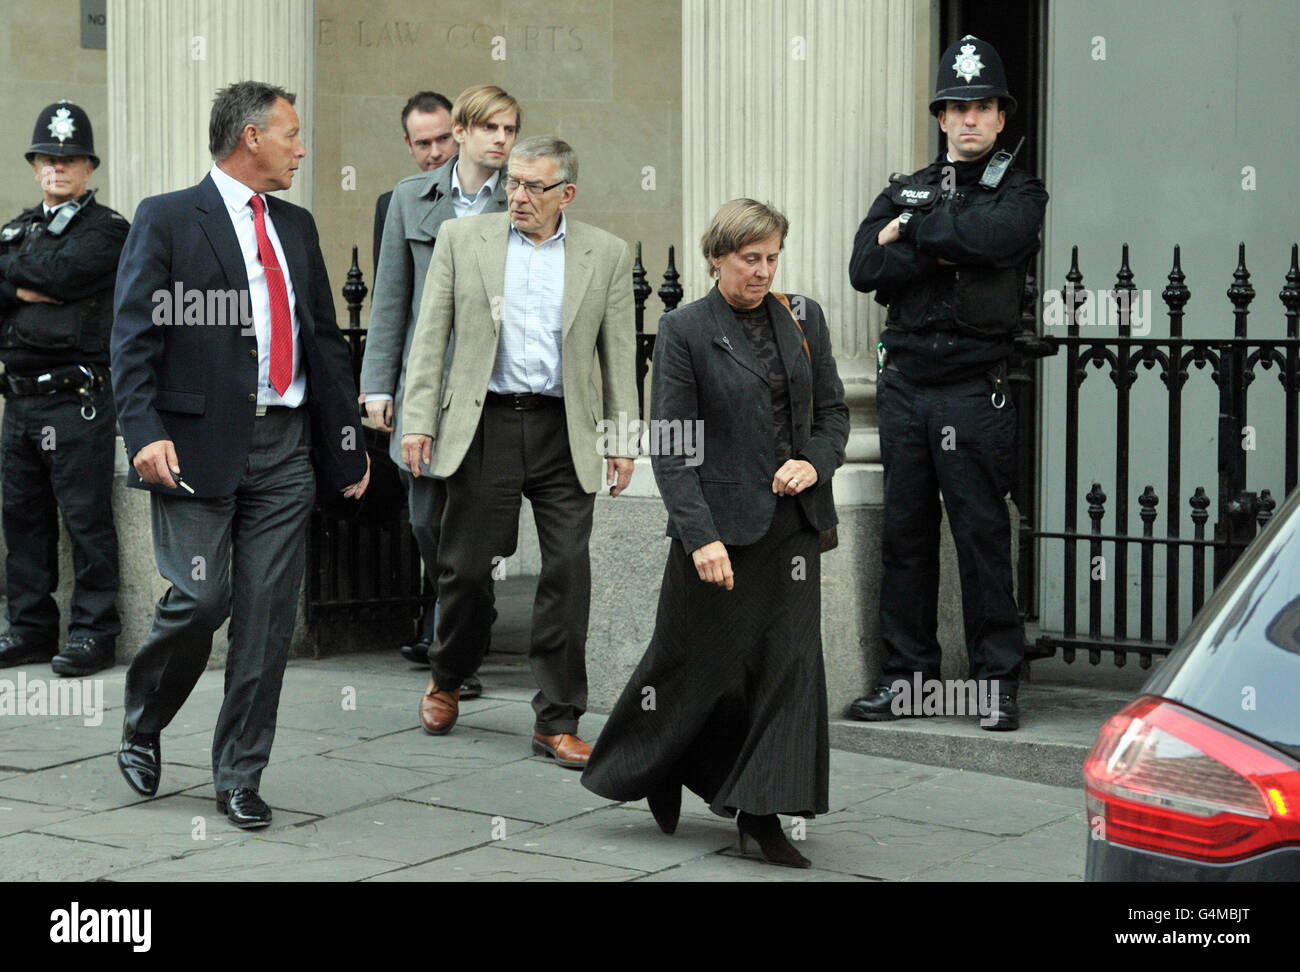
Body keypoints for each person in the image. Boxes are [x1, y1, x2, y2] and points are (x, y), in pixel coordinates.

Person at [110, 81, 370, 828]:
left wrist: (346, 444)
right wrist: (144, 430)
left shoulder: (295, 224)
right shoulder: (166, 218)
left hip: (284, 448)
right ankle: (144, 717)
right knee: (200, 600)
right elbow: (132, 338)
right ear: (251, 137)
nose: (301, 147)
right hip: (191, 446)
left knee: (264, 619)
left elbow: (324, 341)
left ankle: (239, 775)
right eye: (291, 133)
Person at [582, 199, 849, 869]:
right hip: (719, 531)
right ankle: (652, 763)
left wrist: (811, 462)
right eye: (749, 259)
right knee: (691, 665)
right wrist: (699, 537)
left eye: (771, 258)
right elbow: (672, 449)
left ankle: (761, 815)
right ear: (716, 258)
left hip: (793, 527)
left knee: (787, 668)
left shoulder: (804, 317)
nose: (763, 272)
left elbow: (836, 416)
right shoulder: (685, 329)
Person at [400, 136, 637, 769]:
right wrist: (418, 422)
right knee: (467, 571)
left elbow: (618, 354)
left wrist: (621, 439)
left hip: (566, 431)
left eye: (535, 186)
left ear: (568, 194)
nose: (520, 196)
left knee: (566, 574)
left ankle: (557, 719)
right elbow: (431, 339)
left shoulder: (605, 254)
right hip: (487, 427)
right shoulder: (463, 240)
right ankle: (447, 676)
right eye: (514, 183)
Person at [846, 35, 1047, 731]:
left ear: (1000, 118)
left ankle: (996, 683)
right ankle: (907, 682)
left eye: (982, 107)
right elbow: (866, 270)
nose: (968, 120)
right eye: (956, 108)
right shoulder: (903, 186)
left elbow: (996, 242)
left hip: (972, 386)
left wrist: (915, 232)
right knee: (906, 535)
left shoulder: (1020, 192)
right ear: (940, 117)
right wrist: (936, 235)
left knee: (981, 535)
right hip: (906, 385)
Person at [361, 85, 517, 691]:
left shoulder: (522, 195)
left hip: (494, 391)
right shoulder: (408, 200)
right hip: (425, 390)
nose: (500, 141)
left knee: (480, 535)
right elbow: (390, 301)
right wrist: (378, 385)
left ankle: (457, 652)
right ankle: (461, 624)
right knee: (428, 521)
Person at [0, 101, 126, 676]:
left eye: (69, 160)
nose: (57, 170)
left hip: (75, 400)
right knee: (22, 518)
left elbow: (64, 275)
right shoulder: (17, 227)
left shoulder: (107, 230)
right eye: (47, 160)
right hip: (20, 399)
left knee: (84, 519)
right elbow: (43, 281)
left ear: (89, 168)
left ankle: (94, 633)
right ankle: (29, 628)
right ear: (33, 167)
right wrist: (27, 290)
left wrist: (17, 282)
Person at [371, 90, 456, 276]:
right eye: (424, 143)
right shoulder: (391, 204)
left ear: (459, 132)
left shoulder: (489, 192)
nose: (435, 152)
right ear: (409, 144)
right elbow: (387, 289)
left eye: (443, 139)